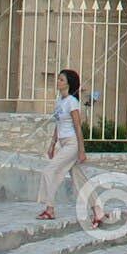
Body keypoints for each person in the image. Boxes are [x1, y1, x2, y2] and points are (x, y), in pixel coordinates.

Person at [36, 67, 105, 225]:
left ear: (68, 84)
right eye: (58, 79)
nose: (58, 82)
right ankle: (98, 211)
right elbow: (58, 123)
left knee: (50, 171)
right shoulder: (60, 101)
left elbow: (77, 126)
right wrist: (52, 144)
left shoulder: (72, 103)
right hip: (63, 142)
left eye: (61, 79)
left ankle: (50, 208)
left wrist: (81, 150)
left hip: (72, 144)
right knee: (79, 179)